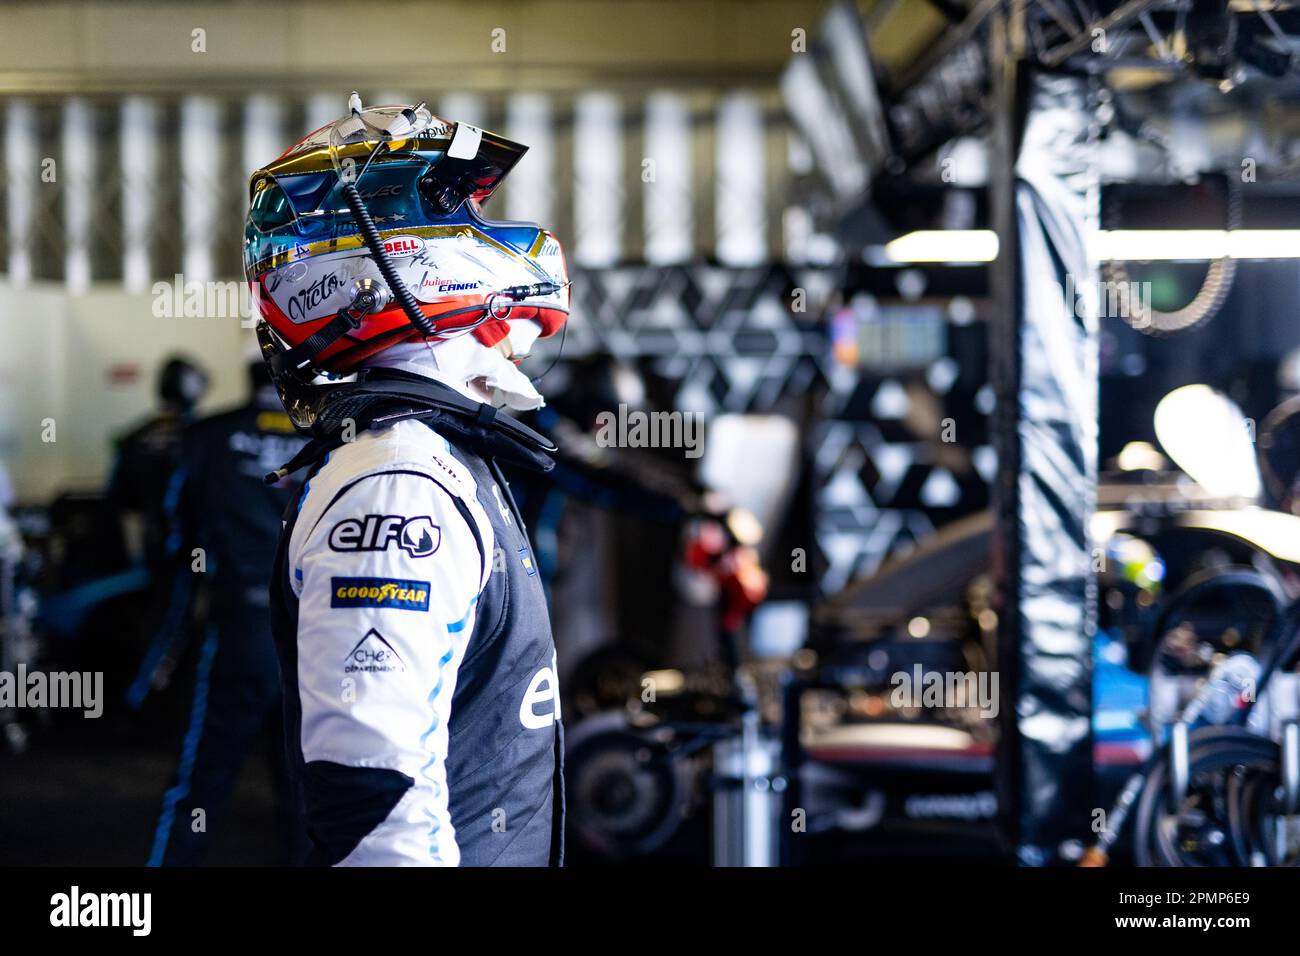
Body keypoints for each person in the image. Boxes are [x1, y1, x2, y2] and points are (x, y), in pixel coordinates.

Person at [245, 96, 570, 865]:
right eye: (459, 210)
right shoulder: (398, 480)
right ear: (386, 253)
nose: (488, 232)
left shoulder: (432, 451)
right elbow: (374, 802)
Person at [147, 358, 308, 865]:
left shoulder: (209, 435)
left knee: (199, 784)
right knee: (308, 792)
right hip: (316, 638)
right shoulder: (336, 438)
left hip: (238, 629)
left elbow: (171, 528)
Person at [108, 356, 209, 574]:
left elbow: (120, 500)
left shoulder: (134, 436)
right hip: (196, 546)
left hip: (149, 544)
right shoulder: (202, 436)